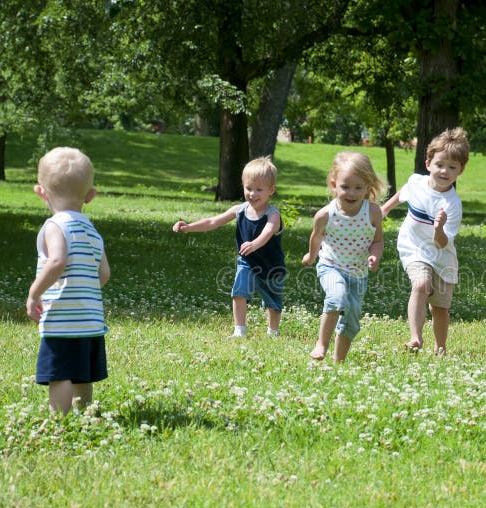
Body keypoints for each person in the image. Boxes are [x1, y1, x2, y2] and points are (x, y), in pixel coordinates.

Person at [27, 147, 110, 414]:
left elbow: (57, 261)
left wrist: (34, 293)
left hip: (62, 317)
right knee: (82, 371)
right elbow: (104, 273)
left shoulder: (55, 225)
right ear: (90, 196)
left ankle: (59, 421)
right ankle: (84, 413)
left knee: (60, 371)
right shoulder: (91, 229)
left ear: (41, 192)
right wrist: (84, 290)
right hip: (91, 317)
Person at [173, 157, 285, 338]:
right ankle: (239, 331)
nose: (252, 194)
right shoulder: (239, 210)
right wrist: (189, 227)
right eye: (248, 188)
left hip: (271, 265)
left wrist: (255, 243)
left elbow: (268, 231)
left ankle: (273, 332)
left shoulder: (273, 214)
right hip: (247, 261)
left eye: (259, 189)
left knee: (273, 302)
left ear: (271, 190)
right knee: (239, 291)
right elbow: (213, 221)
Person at [381, 127, 470, 356]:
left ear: (460, 170)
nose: (444, 171)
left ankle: (440, 347)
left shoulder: (452, 204)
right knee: (420, 285)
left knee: (440, 308)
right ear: (428, 162)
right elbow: (404, 192)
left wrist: (439, 227)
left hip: (441, 255)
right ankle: (415, 337)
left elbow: (442, 243)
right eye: (440, 164)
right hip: (413, 247)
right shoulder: (417, 182)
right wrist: (385, 209)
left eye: (452, 167)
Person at [302, 151, 385, 362]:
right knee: (336, 297)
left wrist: (375, 256)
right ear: (334, 184)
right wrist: (311, 256)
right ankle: (321, 344)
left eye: (358, 187)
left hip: (358, 274)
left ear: (368, 187)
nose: (352, 193)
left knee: (352, 319)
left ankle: (338, 362)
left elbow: (377, 241)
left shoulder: (373, 212)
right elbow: (316, 237)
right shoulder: (325, 215)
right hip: (331, 266)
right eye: (345, 186)